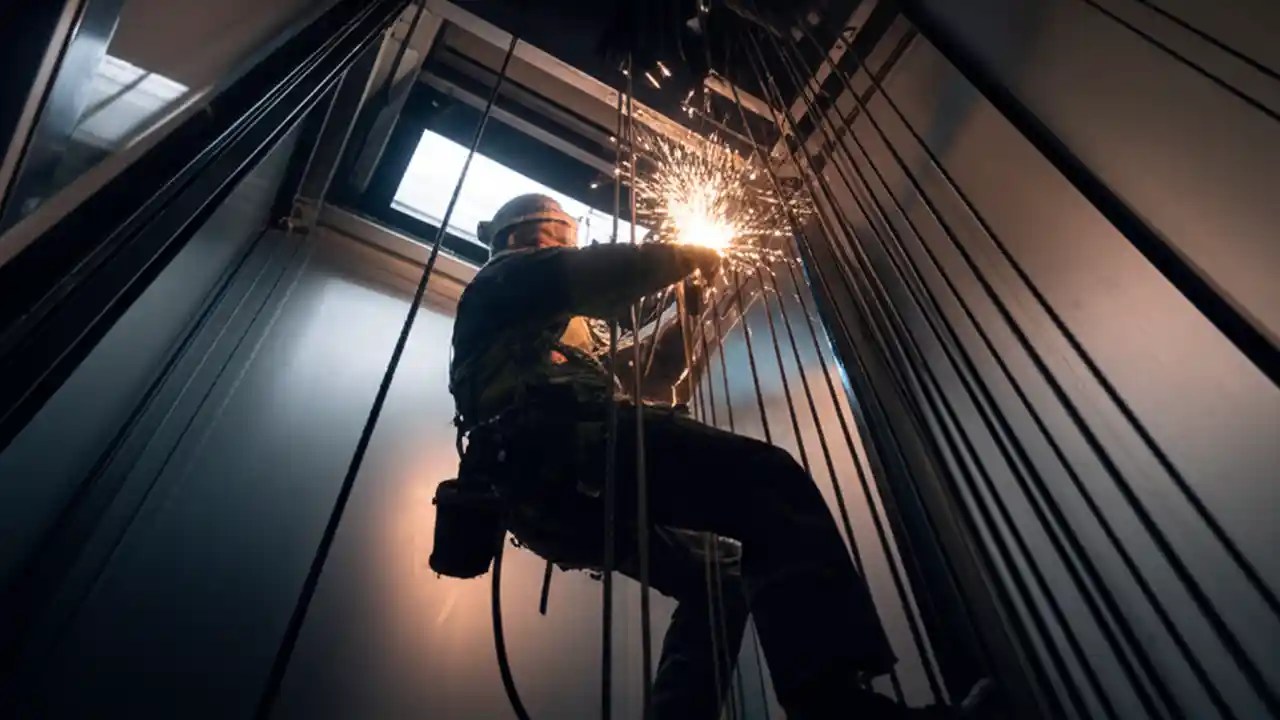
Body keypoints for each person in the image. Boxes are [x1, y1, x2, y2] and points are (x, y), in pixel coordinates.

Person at [448, 194, 966, 719]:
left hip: (561, 491)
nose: (557, 244)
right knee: (769, 483)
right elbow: (591, 274)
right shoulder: (502, 280)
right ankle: (833, 705)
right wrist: (681, 254)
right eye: (553, 235)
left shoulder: (558, 327)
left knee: (719, 579)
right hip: (568, 448)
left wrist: (700, 303)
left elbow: (653, 376)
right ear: (516, 237)